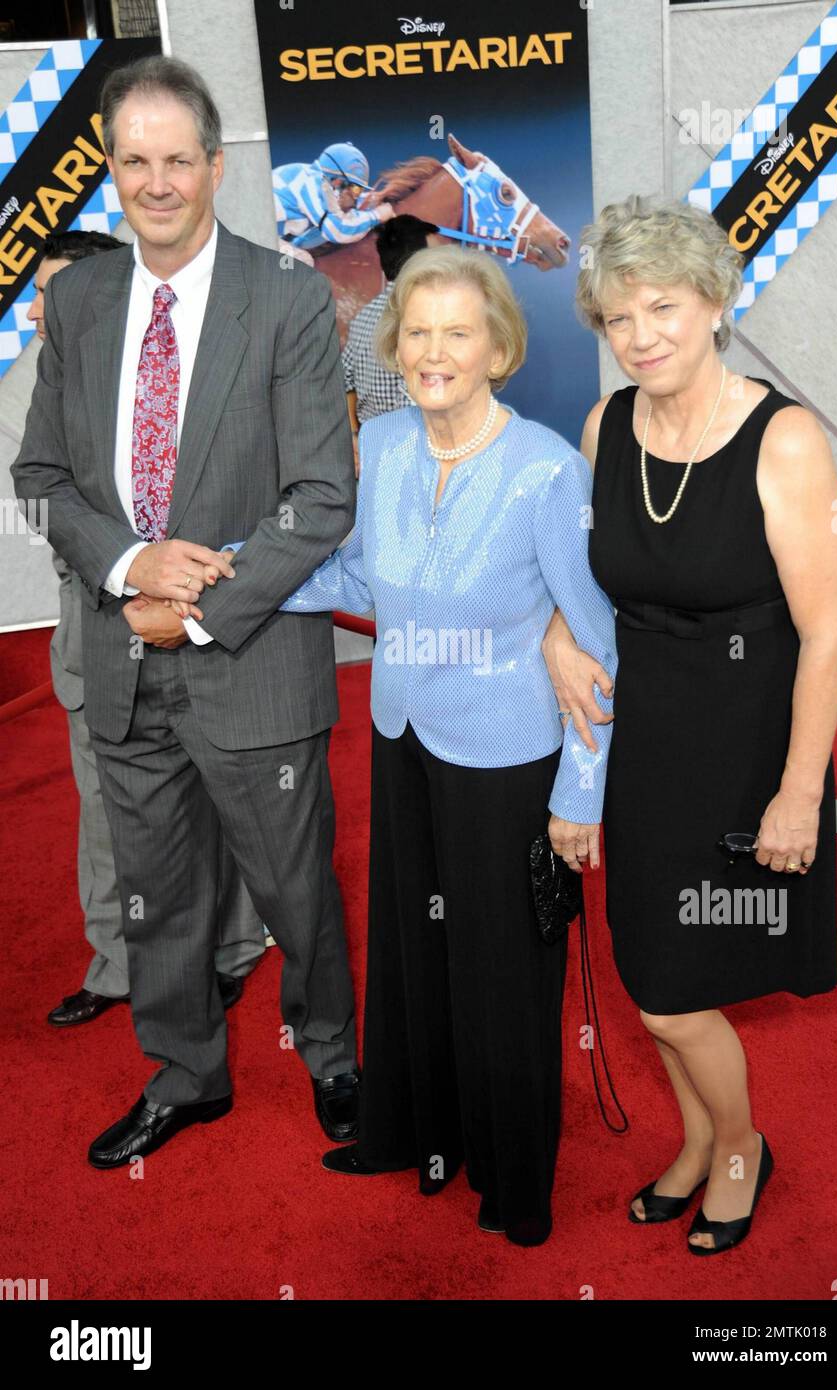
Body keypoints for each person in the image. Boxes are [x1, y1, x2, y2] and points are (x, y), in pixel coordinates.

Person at [196, 245, 617, 1246]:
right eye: (417, 333)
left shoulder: (548, 470)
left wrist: (580, 796)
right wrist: (232, 575)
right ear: (394, 346)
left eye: (457, 334)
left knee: (504, 977)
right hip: (405, 739)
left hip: (511, 759)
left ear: (498, 348)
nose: (434, 352)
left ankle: (512, 1184)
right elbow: (351, 583)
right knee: (416, 953)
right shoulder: (379, 444)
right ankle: (418, 1134)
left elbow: (595, 645)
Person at [13, 55, 360, 1167]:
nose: (155, 182)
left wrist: (195, 610)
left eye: (177, 160)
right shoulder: (77, 298)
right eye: (133, 161)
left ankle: (335, 1055)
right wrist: (130, 570)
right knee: (154, 897)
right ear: (109, 171)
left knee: (293, 886)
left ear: (215, 167)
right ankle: (185, 1073)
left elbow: (322, 498)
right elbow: (43, 477)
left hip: (250, 656)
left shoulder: (291, 294)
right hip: (121, 655)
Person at [542, 194, 837, 1254]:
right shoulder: (604, 425)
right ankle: (690, 1140)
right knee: (647, 967)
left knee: (676, 993)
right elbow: (585, 589)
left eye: (662, 308)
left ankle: (738, 1146)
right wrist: (553, 637)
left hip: (745, 748)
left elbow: (829, 636)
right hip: (640, 747)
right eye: (618, 320)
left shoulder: (787, 439)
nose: (641, 337)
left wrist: (799, 789)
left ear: (715, 303)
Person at [28, 232, 266, 1028]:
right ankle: (117, 962)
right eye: (38, 294)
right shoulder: (54, 382)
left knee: (213, 799)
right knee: (104, 812)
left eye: (56, 291)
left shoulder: (164, 366)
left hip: (187, 622)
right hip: (89, 637)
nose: (41, 308)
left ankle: (233, 950)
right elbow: (37, 497)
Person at [342, 213, 439, 472]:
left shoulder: (362, 319)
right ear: (421, 258)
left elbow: (344, 382)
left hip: (374, 454)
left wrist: (353, 435)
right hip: (425, 457)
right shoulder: (431, 315)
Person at [273, 142, 394, 263]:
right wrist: (377, 215)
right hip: (258, 234)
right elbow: (337, 230)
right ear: (337, 182)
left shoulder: (317, 181)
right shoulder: (316, 186)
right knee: (302, 262)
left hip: (265, 234)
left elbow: (302, 241)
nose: (355, 198)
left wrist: (372, 202)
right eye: (356, 189)